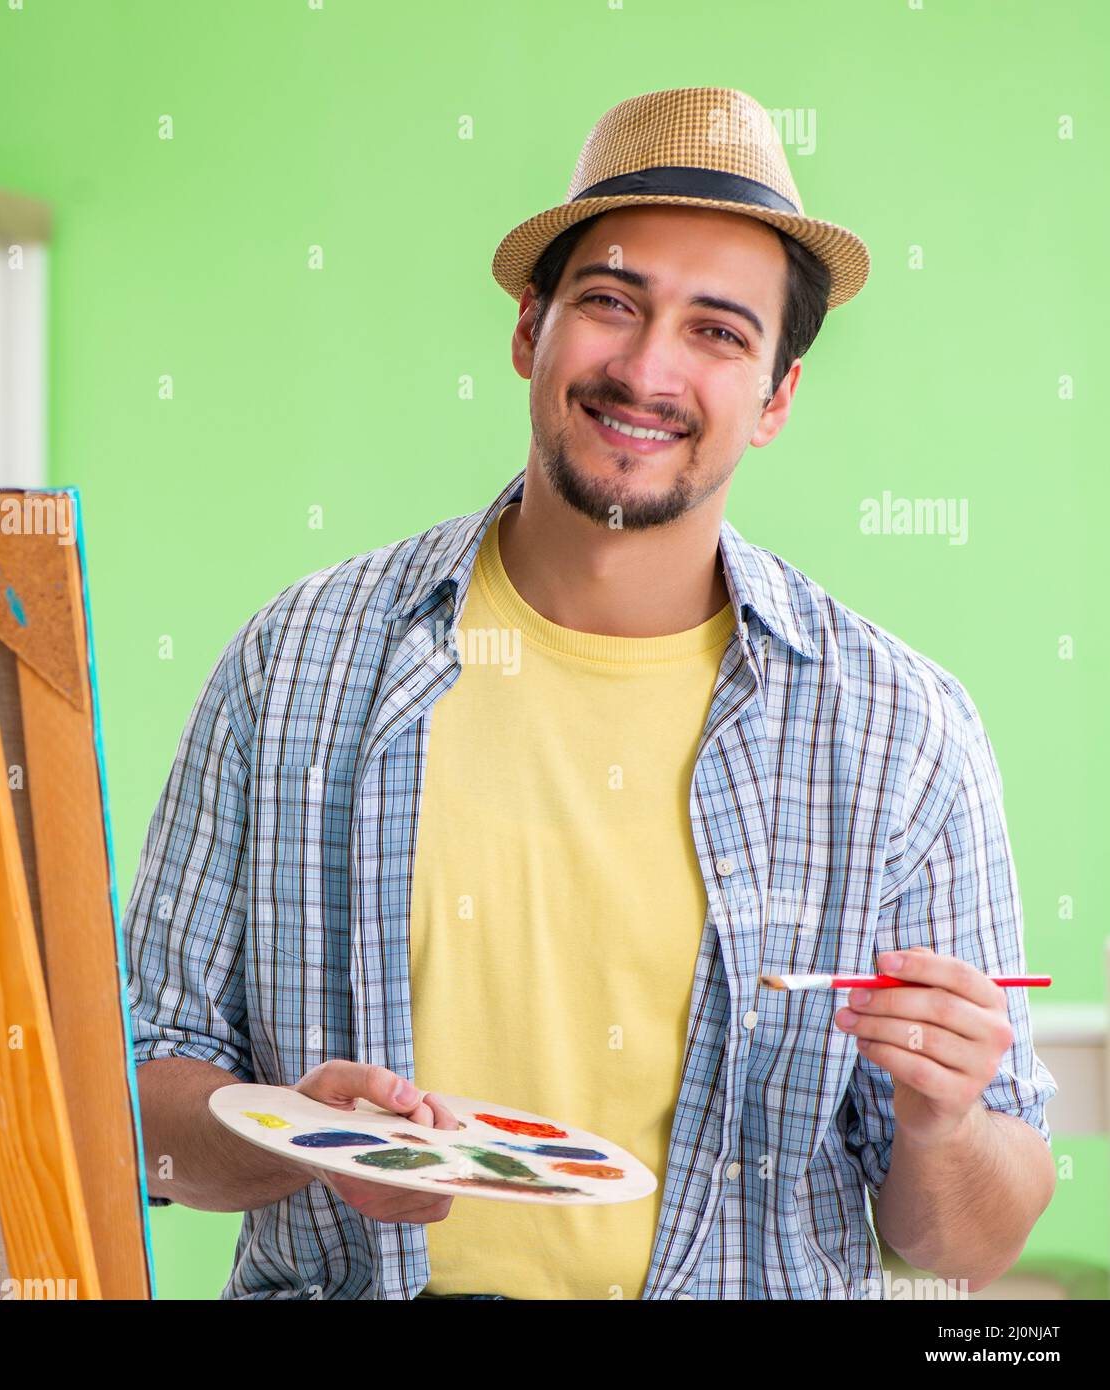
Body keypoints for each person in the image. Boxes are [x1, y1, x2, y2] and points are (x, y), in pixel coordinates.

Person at [124, 87, 1057, 1300]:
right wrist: (293, 1132)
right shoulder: (296, 663)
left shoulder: (900, 728)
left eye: (719, 332)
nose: (648, 367)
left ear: (775, 397)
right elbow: (133, 1102)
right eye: (612, 302)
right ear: (530, 331)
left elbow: (973, 1241)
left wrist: (940, 1121)